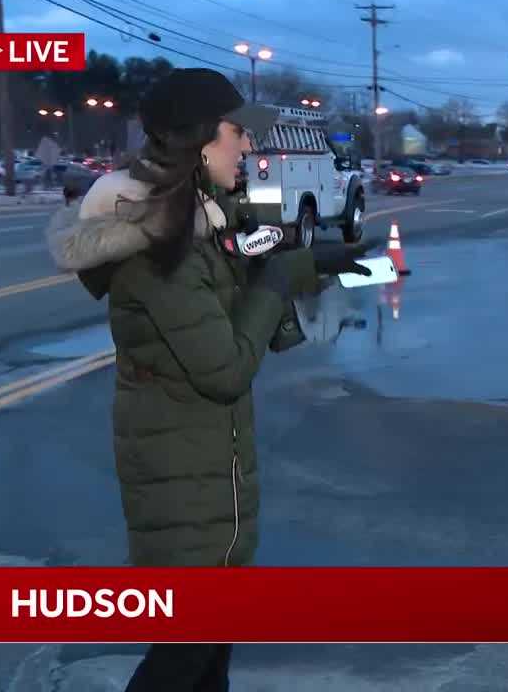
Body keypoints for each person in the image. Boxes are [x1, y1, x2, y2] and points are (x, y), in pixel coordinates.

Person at [45, 68, 373, 691]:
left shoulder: (200, 230)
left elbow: (245, 318)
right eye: (234, 133)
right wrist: (275, 285)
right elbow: (224, 368)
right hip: (183, 498)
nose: (247, 147)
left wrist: (304, 268)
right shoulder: (156, 254)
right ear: (196, 140)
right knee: (181, 663)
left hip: (210, 488)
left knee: (207, 664)